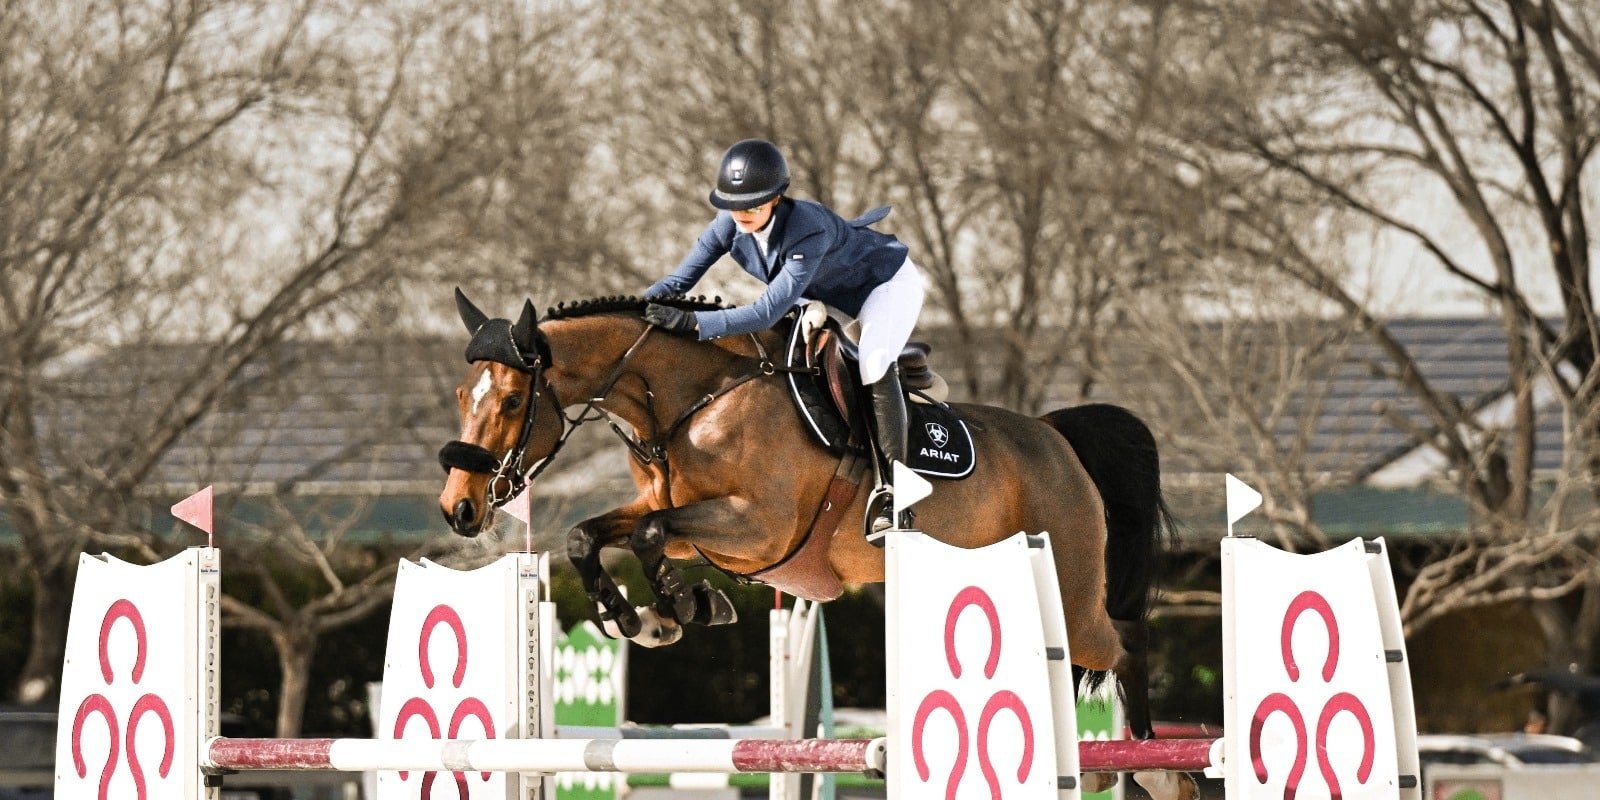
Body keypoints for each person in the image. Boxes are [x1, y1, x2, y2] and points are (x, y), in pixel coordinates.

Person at [643, 139, 926, 540]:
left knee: (874, 360)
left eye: (752, 205)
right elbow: (677, 282)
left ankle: (896, 495)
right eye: (732, 204)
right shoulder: (728, 225)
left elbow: (765, 313)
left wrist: (694, 324)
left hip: (883, 286)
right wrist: (633, 311)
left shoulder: (807, 228)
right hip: (823, 293)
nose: (740, 213)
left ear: (776, 199)